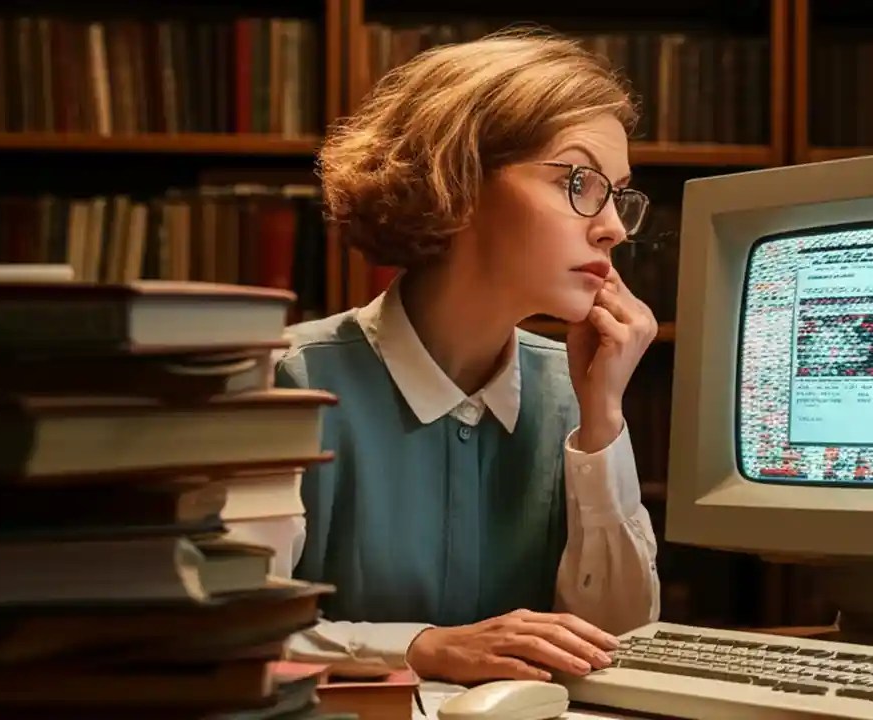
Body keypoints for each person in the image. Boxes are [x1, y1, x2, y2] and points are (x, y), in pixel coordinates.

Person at [269, 28, 661, 685]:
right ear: (456, 179)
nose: (613, 226)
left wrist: (601, 427)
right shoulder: (288, 384)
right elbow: (229, 635)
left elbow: (618, 646)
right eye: (580, 181)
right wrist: (422, 648)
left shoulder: (575, 391)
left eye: (617, 194)